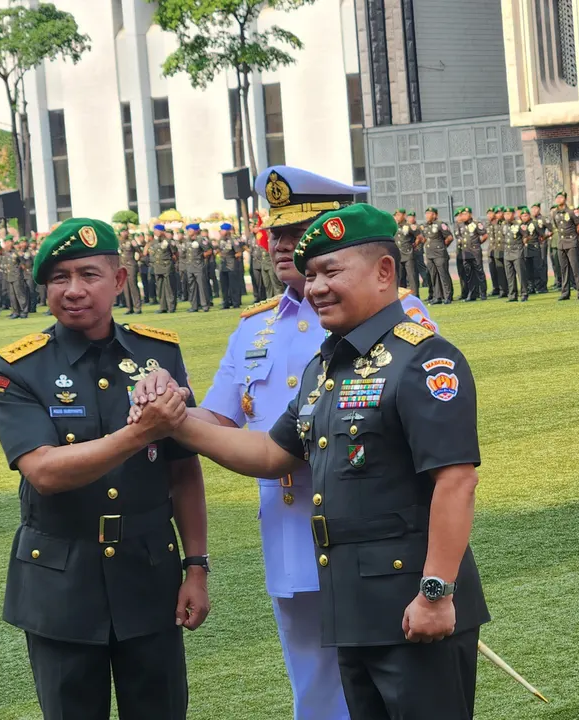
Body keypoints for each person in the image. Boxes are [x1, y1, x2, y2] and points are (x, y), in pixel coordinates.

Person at [136, 202, 489, 720]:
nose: (317, 287)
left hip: (411, 603)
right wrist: (176, 422)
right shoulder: (326, 366)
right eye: (312, 274)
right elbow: (270, 453)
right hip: (349, 606)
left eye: (332, 272)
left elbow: (456, 482)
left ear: (384, 272)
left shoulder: (423, 360)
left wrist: (436, 593)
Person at [0, 217, 209, 720]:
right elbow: (43, 471)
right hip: (61, 585)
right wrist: (138, 433)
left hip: (149, 576)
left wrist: (196, 568)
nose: (73, 290)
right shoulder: (19, 367)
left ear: (120, 281)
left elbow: (182, 471)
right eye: (59, 278)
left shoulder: (158, 353)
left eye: (88, 274)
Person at [418, 207, 454, 304]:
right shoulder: (424, 226)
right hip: (430, 255)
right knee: (434, 276)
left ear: (435, 215)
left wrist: (442, 246)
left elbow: (449, 237)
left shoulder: (440, 224)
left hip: (440, 254)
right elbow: (424, 238)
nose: (427, 216)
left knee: (443, 275)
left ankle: (447, 296)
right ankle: (437, 297)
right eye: (426, 213)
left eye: (429, 213)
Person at [551, 192, 579, 300]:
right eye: (557, 197)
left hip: (571, 241)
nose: (559, 199)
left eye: (561, 197)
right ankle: (565, 293)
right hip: (561, 243)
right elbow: (557, 226)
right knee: (564, 269)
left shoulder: (572, 211)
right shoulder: (555, 213)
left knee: (575, 268)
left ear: (565, 199)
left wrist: (575, 237)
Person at [118, 227, 143, 314]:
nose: (124, 233)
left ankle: (137, 307)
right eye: (122, 232)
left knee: (133, 286)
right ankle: (129, 308)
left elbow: (139, 252)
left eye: (125, 232)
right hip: (122, 267)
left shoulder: (132, 241)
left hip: (131, 265)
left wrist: (136, 260)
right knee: (126, 288)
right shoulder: (119, 242)